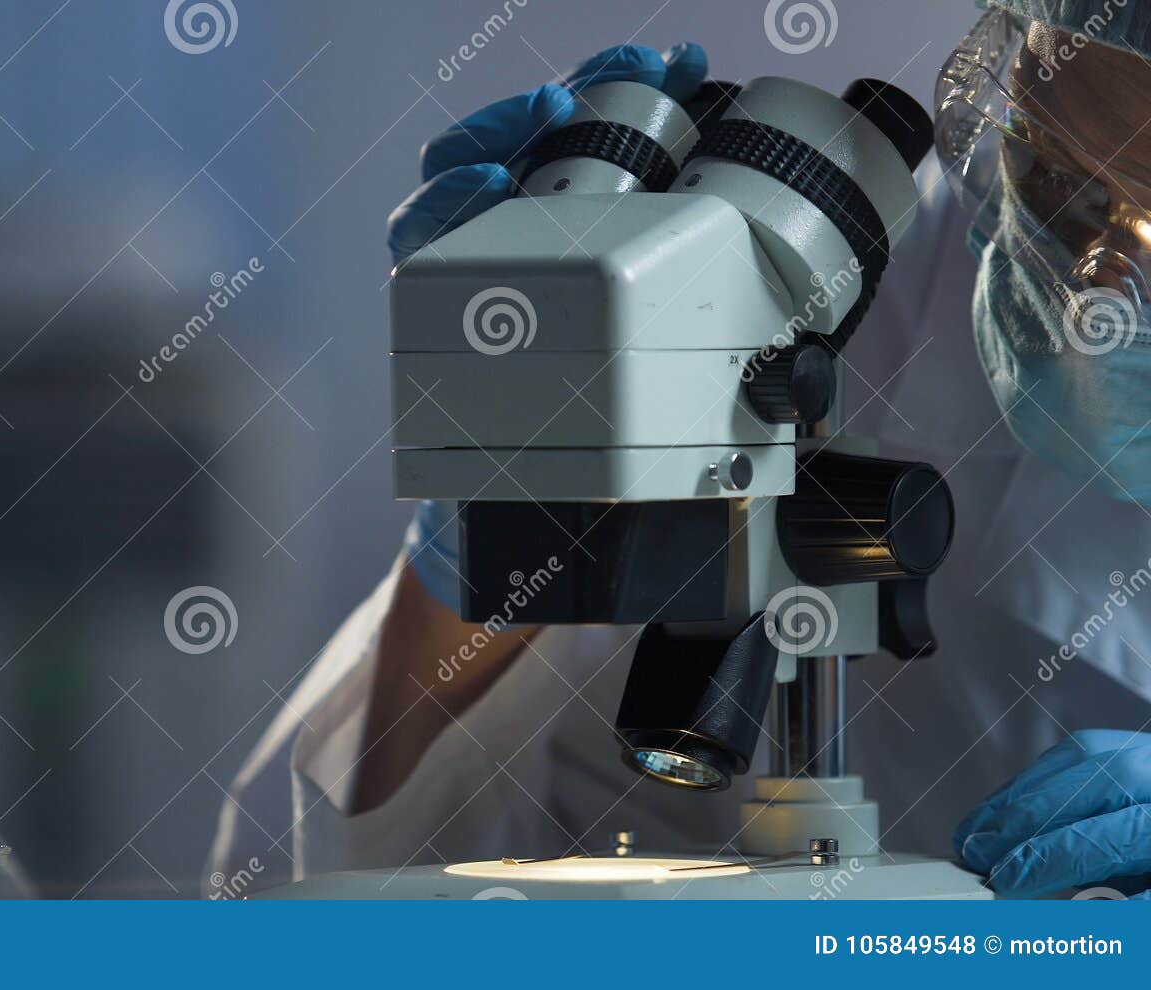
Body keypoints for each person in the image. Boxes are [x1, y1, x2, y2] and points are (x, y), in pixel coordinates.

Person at [209, 0, 1151, 900]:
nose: (1095, 294)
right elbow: (322, 883)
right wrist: (509, 500)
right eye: (1056, 181)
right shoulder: (830, 290)